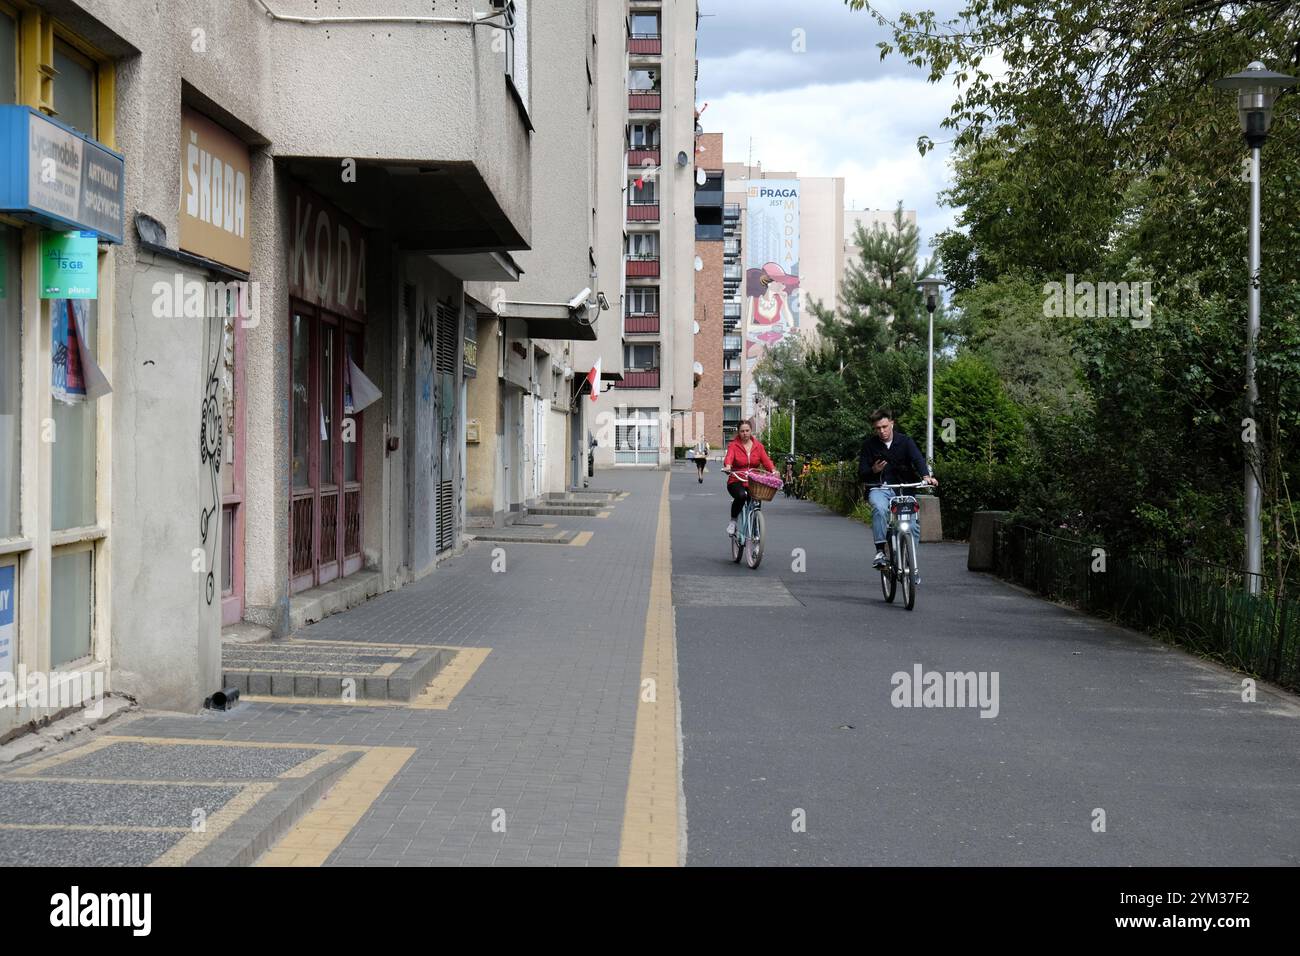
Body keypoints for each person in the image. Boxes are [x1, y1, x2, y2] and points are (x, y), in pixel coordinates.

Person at [857, 408, 938, 572]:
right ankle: (880, 551)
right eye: (878, 428)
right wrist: (873, 470)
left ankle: (911, 562)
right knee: (879, 509)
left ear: (892, 424)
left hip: (903, 489)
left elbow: (917, 459)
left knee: (912, 525)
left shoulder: (905, 441)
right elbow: (861, 474)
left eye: (885, 427)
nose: (882, 431)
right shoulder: (869, 446)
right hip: (880, 488)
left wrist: (926, 476)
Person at [722, 419, 776, 537]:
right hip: (736, 480)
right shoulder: (733, 445)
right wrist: (728, 466)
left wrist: (773, 470)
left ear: (751, 431)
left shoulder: (758, 446)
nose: (745, 433)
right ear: (738, 432)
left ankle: (756, 533)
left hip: (753, 481)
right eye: (742, 431)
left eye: (747, 430)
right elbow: (729, 458)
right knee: (742, 496)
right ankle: (733, 521)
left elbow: (766, 461)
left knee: (757, 501)